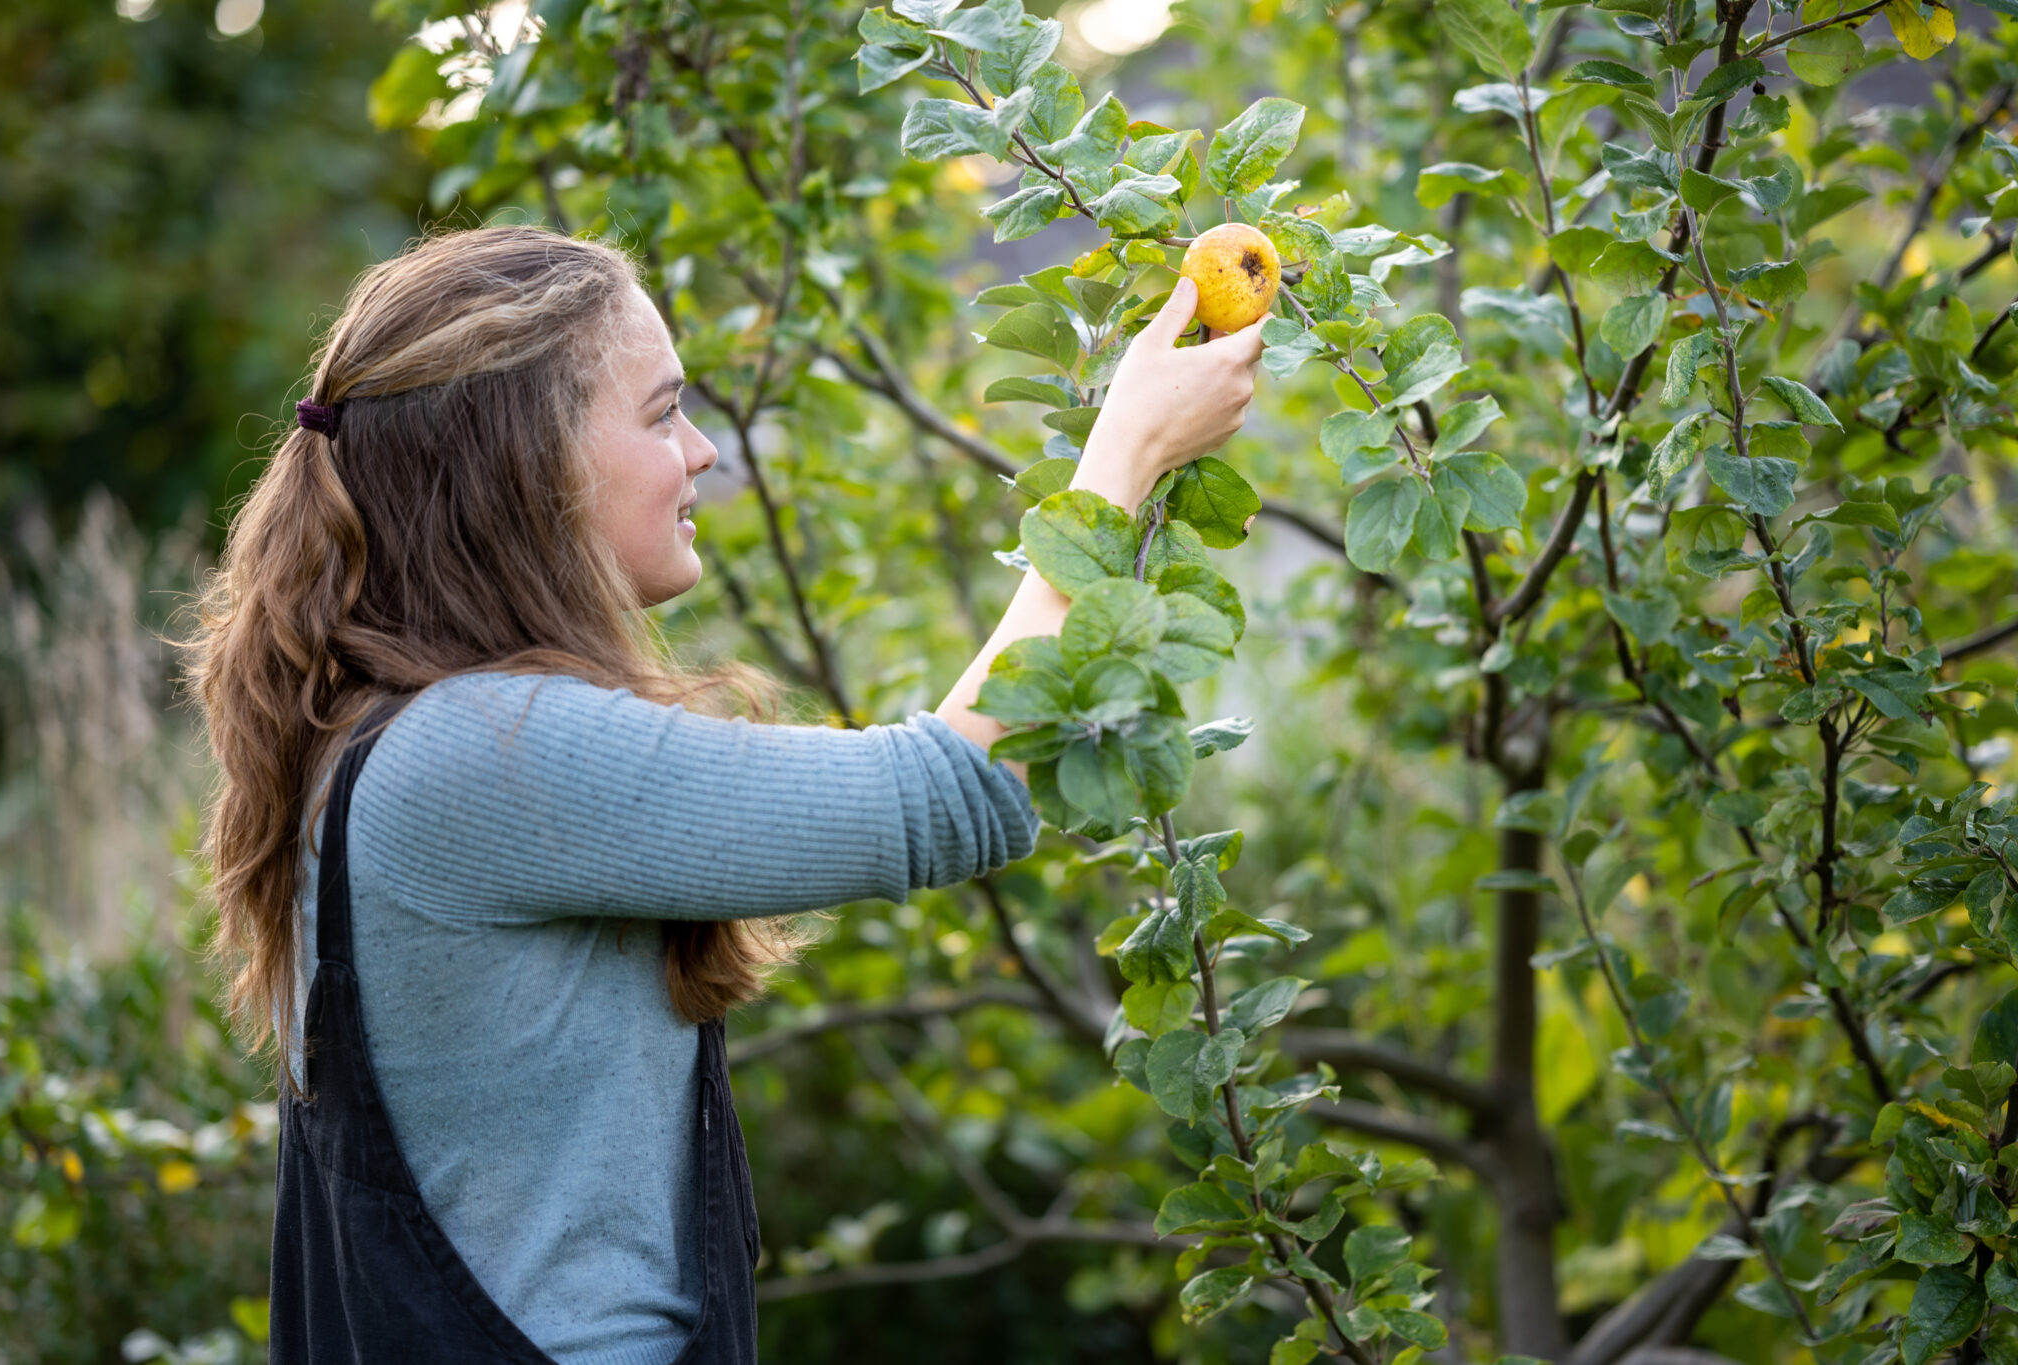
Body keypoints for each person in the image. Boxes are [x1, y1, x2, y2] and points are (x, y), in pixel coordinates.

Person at [186, 224, 1265, 1365]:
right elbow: (949, 794)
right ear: (529, 461)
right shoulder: (481, 754)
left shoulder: (403, 734)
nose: (701, 452)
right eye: (660, 413)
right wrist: (1120, 459)